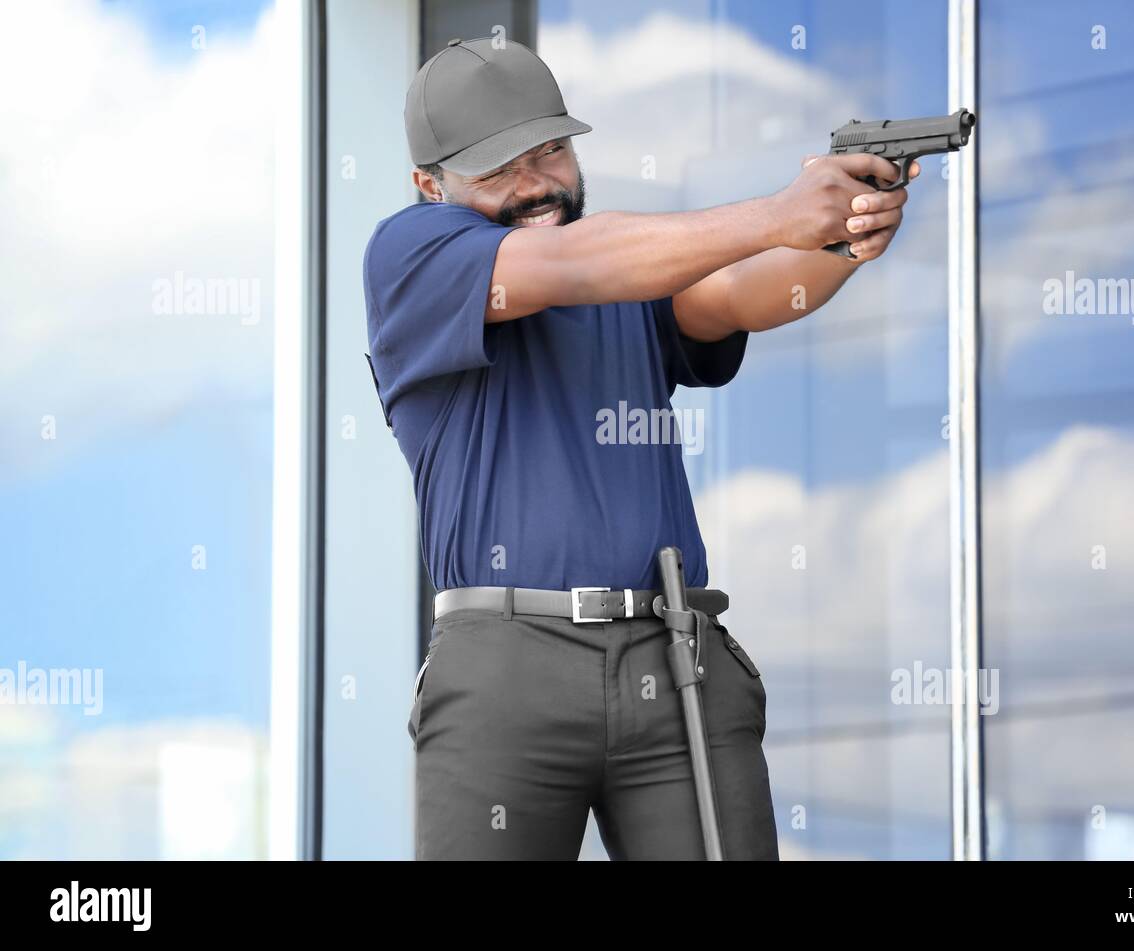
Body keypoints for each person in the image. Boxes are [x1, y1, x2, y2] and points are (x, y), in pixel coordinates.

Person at [363, 36, 917, 860]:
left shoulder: (633, 269)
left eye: (549, 151)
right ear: (429, 185)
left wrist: (840, 237)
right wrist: (776, 212)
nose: (534, 182)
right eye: (497, 167)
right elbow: (569, 263)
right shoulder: (411, 255)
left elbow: (736, 291)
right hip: (506, 666)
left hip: (675, 652)